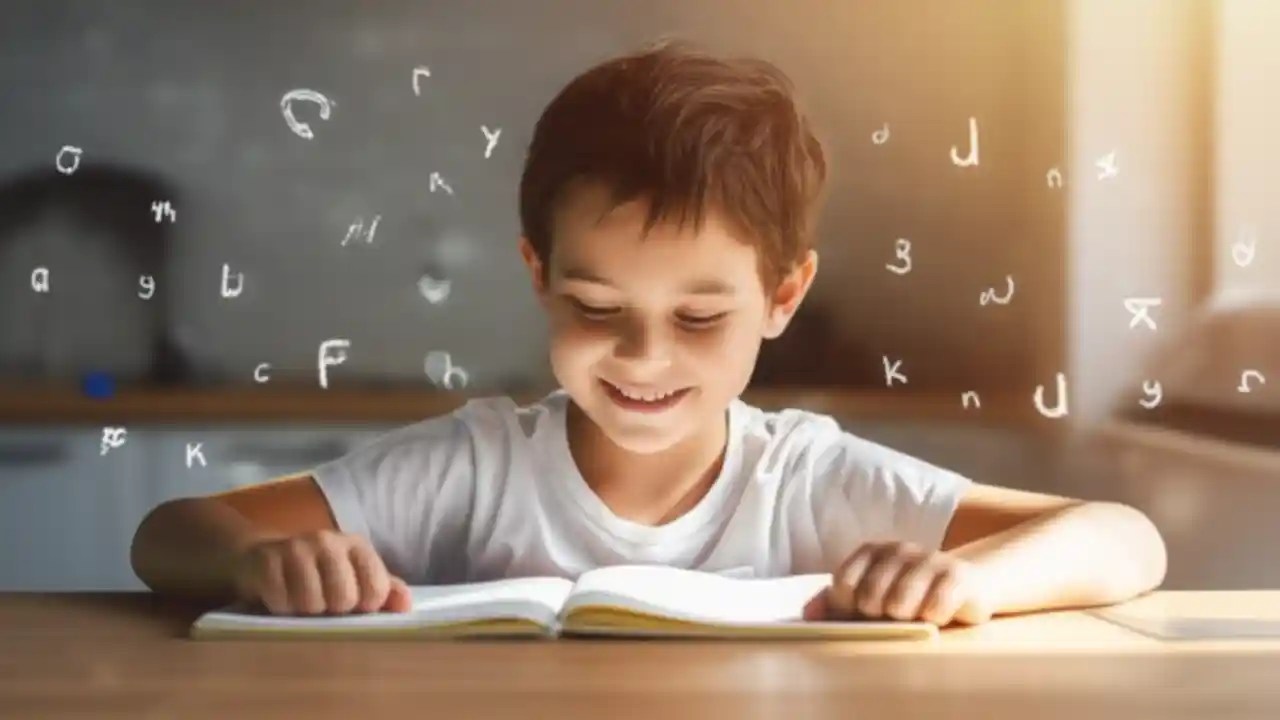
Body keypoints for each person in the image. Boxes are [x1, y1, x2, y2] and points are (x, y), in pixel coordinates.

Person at [131, 37, 1166, 627]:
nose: (642, 356)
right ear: (537, 274)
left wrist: (972, 579)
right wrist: (248, 567)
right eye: (595, 308)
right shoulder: (478, 462)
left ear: (782, 297)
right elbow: (167, 531)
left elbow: (1127, 538)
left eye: (699, 317)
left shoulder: (804, 473)